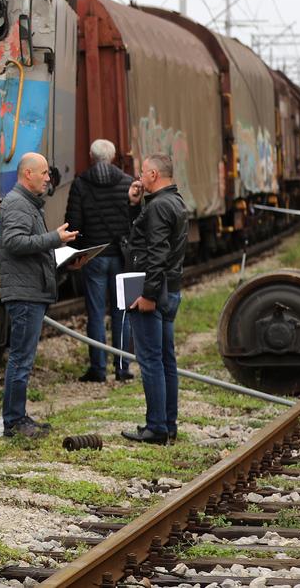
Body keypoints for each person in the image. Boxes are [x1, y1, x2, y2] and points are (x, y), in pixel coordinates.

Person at [0, 152, 79, 439]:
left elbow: (30, 246)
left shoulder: (28, 204)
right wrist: (54, 238)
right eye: (44, 173)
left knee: (23, 359)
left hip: (31, 289)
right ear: (27, 174)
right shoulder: (18, 204)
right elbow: (14, 242)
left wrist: (64, 256)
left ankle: (18, 417)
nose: (48, 178)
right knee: (21, 360)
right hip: (25, 293)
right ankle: (14, 421)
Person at [121, 153, 188, 445]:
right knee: (166, 360)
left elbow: (156, 253)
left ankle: (156, 428)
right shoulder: (175, 201)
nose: (139, 177)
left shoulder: (159, 206)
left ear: (153, 175)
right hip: (170, 289)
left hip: (153, 291)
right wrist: (135, 205)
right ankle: (168, 425)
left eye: (142, 172)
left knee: (150, 360)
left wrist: (147, 295)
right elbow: (146, 238)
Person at [66, 139, 134, 383]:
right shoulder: (127, 182)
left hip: (94, 256)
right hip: (121, 257)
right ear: (113, 156)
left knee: (95, 314)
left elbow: (73, 223)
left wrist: (75, 256)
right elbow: (134, 220)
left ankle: (98, 369)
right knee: (122, 313)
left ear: (91, 156)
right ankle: (122, 368)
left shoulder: (80, 184)